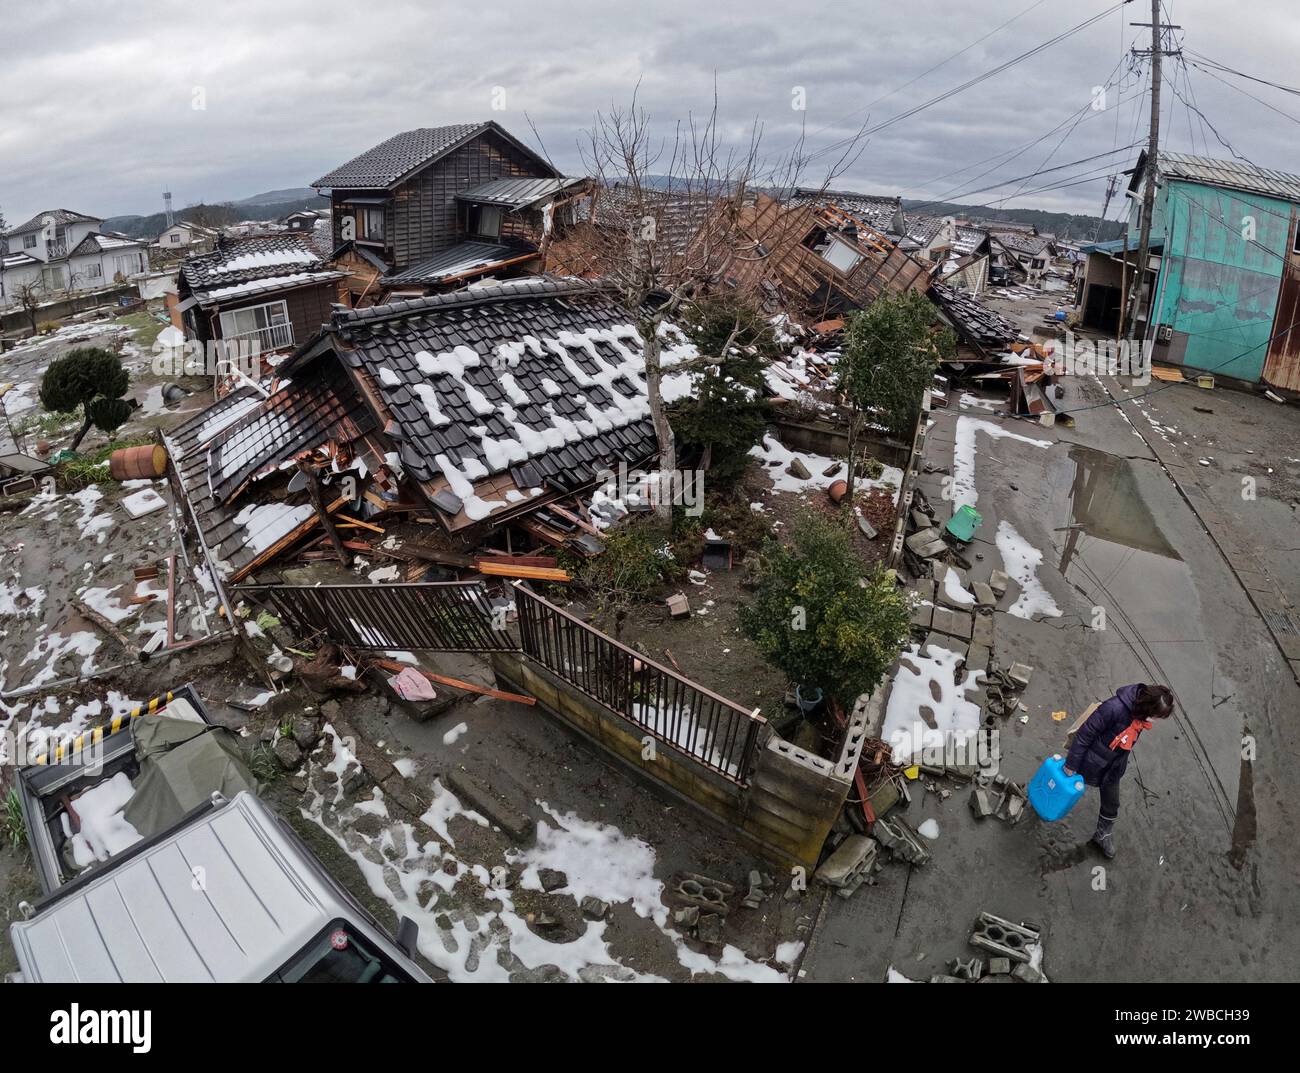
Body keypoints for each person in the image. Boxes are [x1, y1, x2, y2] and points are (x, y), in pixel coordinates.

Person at [1064, 683, 1174, 858]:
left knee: (1111, 804)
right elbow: (1085, 734)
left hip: (1113, 767)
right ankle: (1039, 796)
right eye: (1156, 716)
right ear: (1147, 707)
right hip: (1090, 761)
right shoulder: (1113, 708)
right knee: (1062, 783)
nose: (1156, 720)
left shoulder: (1140, 719)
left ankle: (1102, 835)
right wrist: (1071, 765)